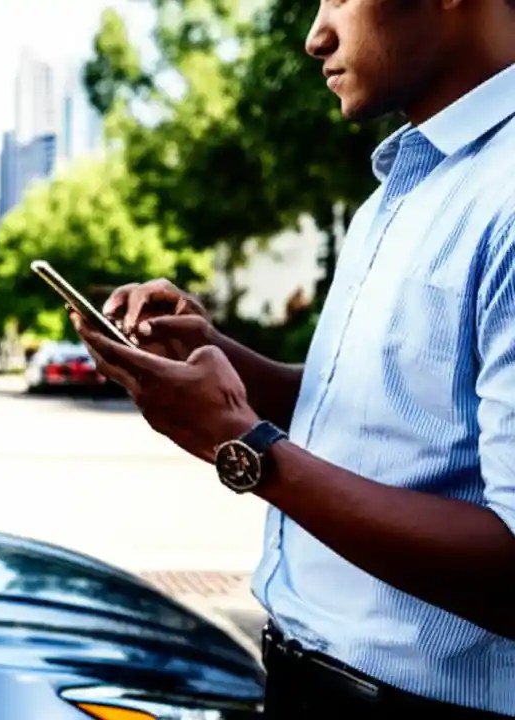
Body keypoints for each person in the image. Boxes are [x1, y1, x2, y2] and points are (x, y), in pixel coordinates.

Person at [70, 1, 515, 718]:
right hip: (300, 676)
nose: (315, 36)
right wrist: (216, 357)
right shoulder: (402, 190)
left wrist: (246, 448)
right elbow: (390, 407)